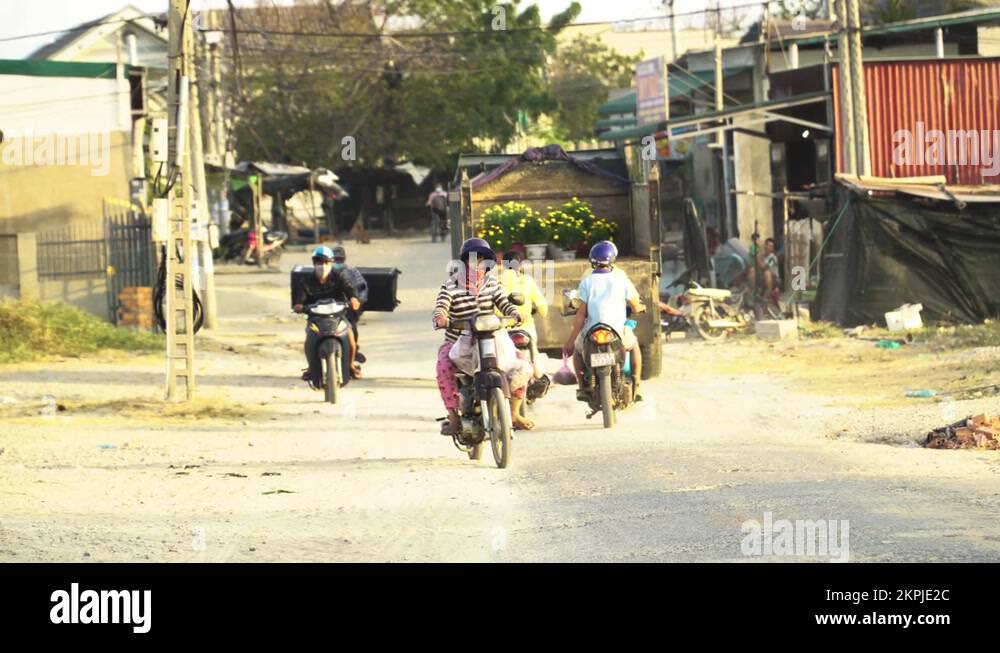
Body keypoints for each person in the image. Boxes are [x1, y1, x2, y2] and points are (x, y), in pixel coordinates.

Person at [433, 238, 534, 435]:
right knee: (443, 364)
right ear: (464, 262)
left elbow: (504, 303)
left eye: (482, 260)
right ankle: (453, 416)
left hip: (491, 338)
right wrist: (441, 318)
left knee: (521, 362)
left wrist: (515, 314)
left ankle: (514, 413)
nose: (478, 265)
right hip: (457, 342)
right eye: (473, 260)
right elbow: (441, 307)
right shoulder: (451, 285)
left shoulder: (492, 284)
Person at [563, 241, 647, 399]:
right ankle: (637, 384)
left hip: (592, 332)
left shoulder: (587, 281)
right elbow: (636, 306)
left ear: (592, 261)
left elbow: (581, 314)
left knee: (577, 351)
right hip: (617, 333)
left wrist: (570, 340)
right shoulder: (622, 280)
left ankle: (582, 386)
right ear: (613, 259)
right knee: (634, 345)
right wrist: (640, 308)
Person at [293, 246, 363, 388]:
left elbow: (350, 290)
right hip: (316, 318)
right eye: (319, 262)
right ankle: (311, 368)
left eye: (326, 262)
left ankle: (350, 366)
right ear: (314, 264)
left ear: (331, 263)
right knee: (308, 341)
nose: (322, 266)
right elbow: (299, 301)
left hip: (338, 316)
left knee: (351, 340)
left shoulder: (340, 277)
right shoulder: (305, 281)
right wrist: (299, 306)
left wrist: (354, 299)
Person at [499, 250, 548, 379]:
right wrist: (541, 311)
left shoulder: (496, 281)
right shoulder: (527, 281)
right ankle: (537, 376)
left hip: (502, 330)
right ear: (519, 265)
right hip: (525, 328)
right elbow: (542, 306)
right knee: (535, 358)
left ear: (503, 265)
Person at [330, 245, 369, 361]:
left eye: (340, 259)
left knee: (352, 330)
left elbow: (363, 288)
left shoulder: (352, 272)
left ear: (344, 259)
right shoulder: (325, 274)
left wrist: (358, 301)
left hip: (347, 310)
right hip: (327, 311)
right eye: (335, 259)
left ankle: (352, 357)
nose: (338, 262)